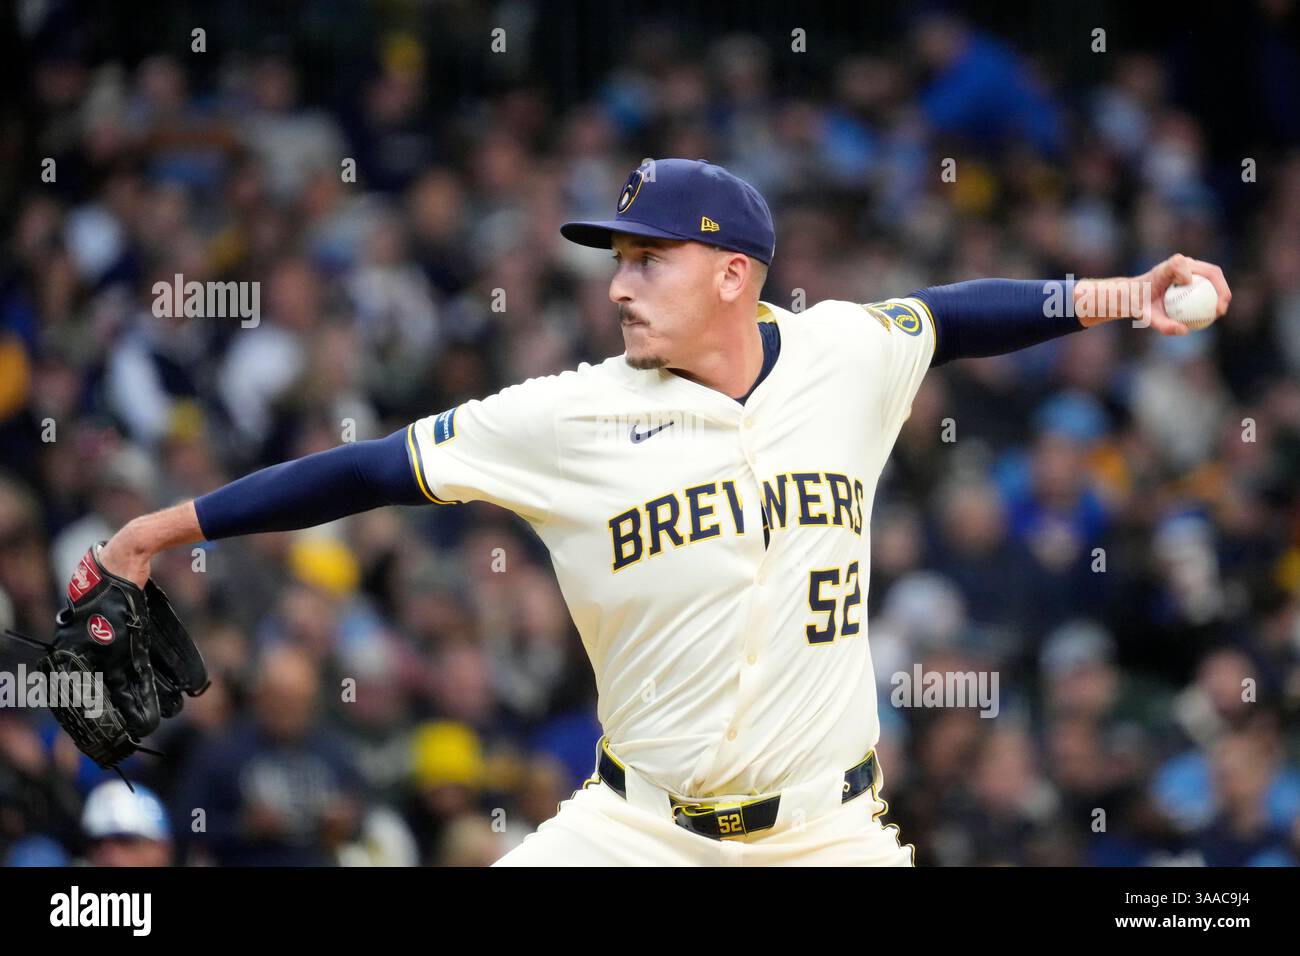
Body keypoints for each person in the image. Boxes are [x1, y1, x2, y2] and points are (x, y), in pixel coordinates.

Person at [83, 158, 1231, 865]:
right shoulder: (563, 414)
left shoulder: (841, 353)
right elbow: (368, 469)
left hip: (826, 834)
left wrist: (1122, 295)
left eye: (647, 259)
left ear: (734, 273)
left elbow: (953, 314)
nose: (619, 284)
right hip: (634, 829)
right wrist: (157, 531)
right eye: (614, 260)